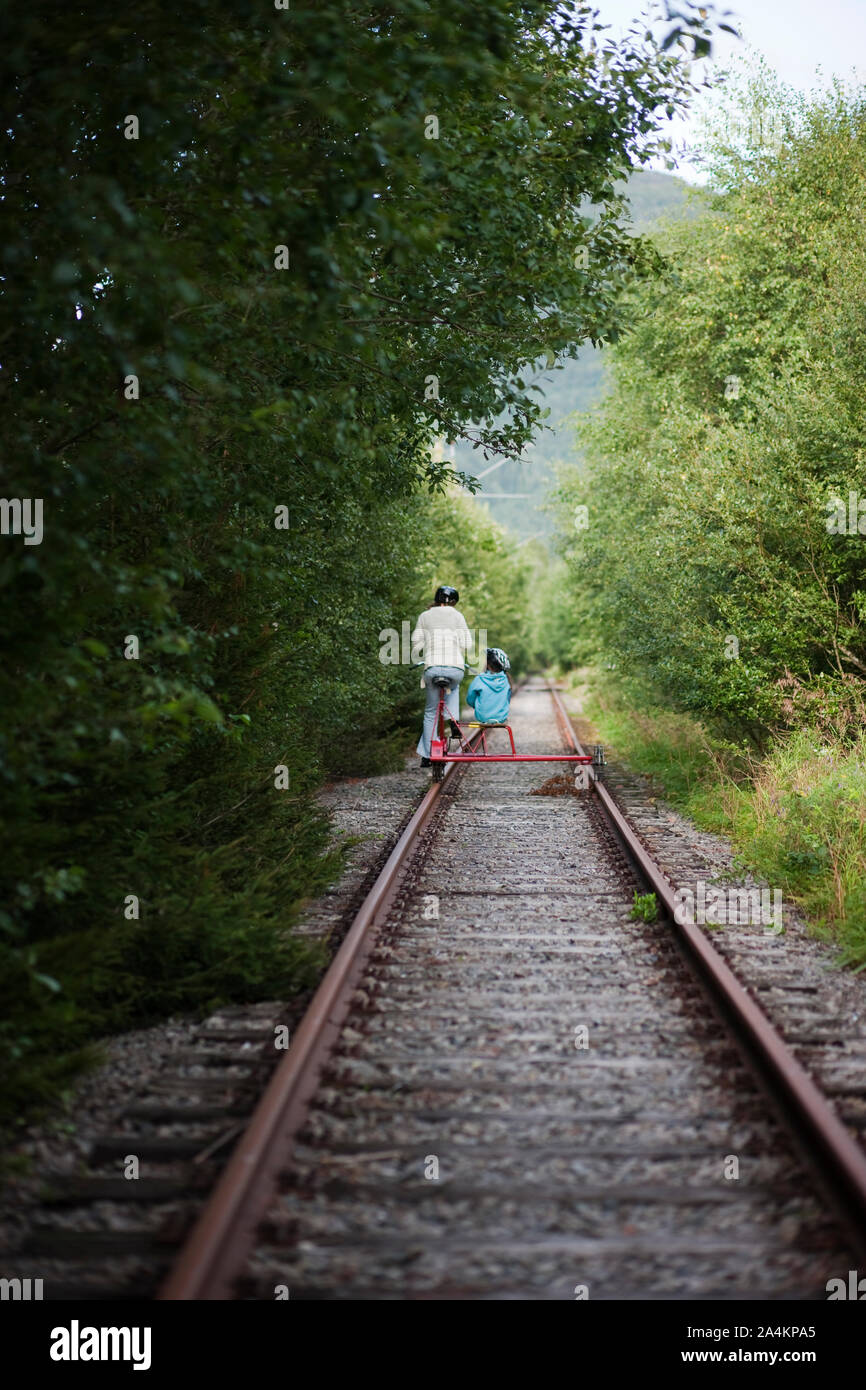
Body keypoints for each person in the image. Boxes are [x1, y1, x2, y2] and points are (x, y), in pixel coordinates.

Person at [413, 585, 471, 768]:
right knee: (454, 685)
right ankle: (452, 718)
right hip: (454, 668)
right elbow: (467, 644)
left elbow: (416, 641)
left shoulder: (425, 615)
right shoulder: (457, 616)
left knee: (430, 712)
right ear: (454, 601)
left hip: (432, 668)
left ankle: (429, 754)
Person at [466, 647, 512, 724]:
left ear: (488, 664)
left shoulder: (479, 679)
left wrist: (478, 705)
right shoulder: (506, 680)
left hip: (482, 717)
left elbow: (470, 699)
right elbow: (507, 700)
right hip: (501, 718)